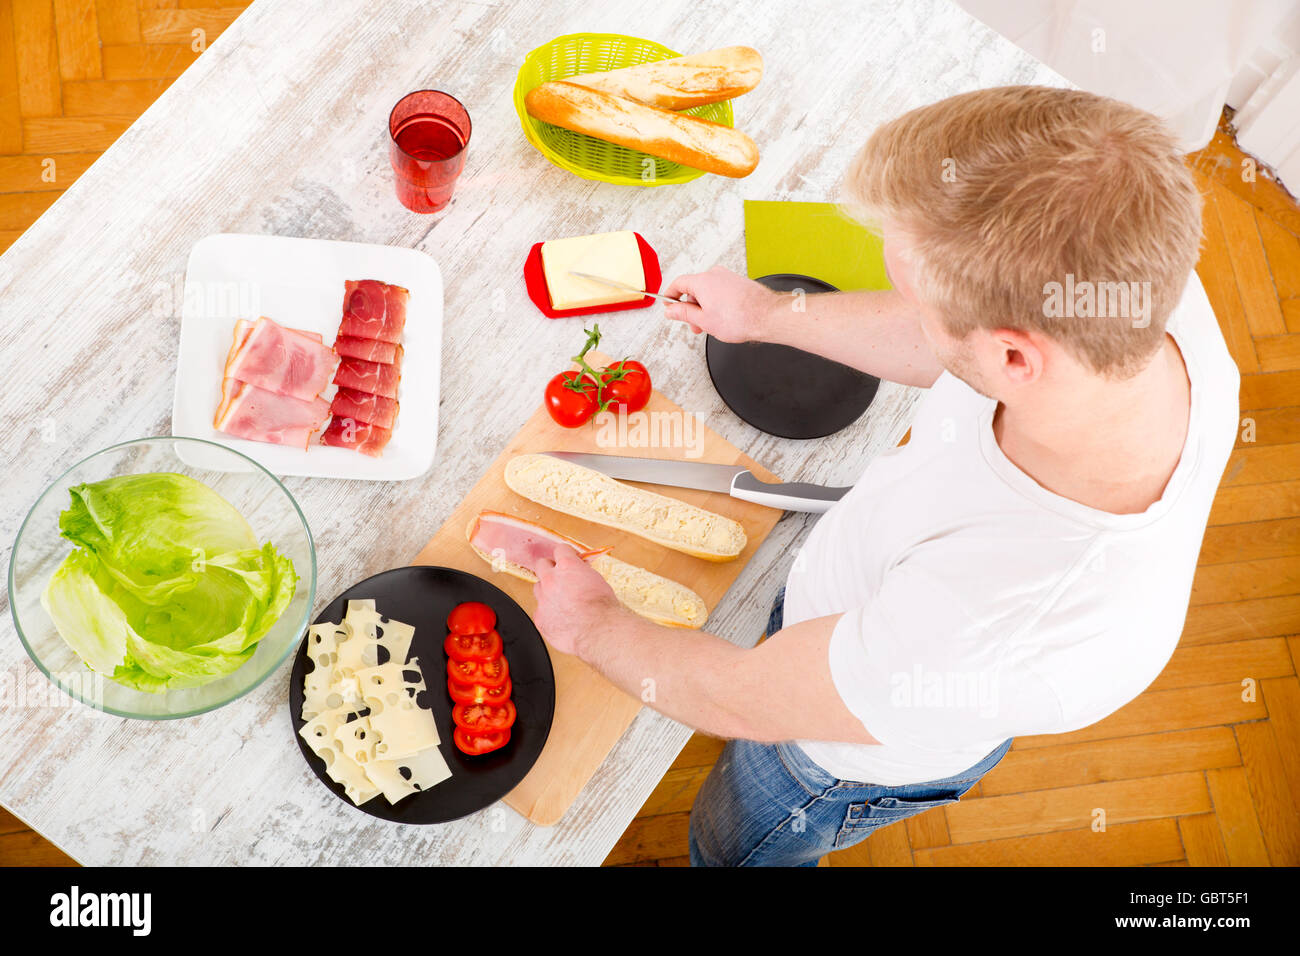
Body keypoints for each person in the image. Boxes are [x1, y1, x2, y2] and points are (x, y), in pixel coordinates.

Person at [528, 86, 1240, 866]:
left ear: (1013, 357)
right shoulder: (1127, 285)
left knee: (729, 845)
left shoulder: (986, 625)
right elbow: (954, 341)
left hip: (827, 764)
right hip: (857, 618)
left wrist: (590, 626)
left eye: (916, 295)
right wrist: (769, 318)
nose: (914, 309)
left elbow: (743, 698)